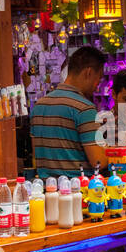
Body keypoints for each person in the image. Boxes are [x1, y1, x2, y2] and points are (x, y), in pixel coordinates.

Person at [29, 45, 109, 179]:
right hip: (79, 192)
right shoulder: (85, 108)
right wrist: (113, 153)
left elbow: (37, 157)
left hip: (47, 191)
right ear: (88, 72)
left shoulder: (38, 106)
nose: (97, 86)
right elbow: (98, 162)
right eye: (99, 78)